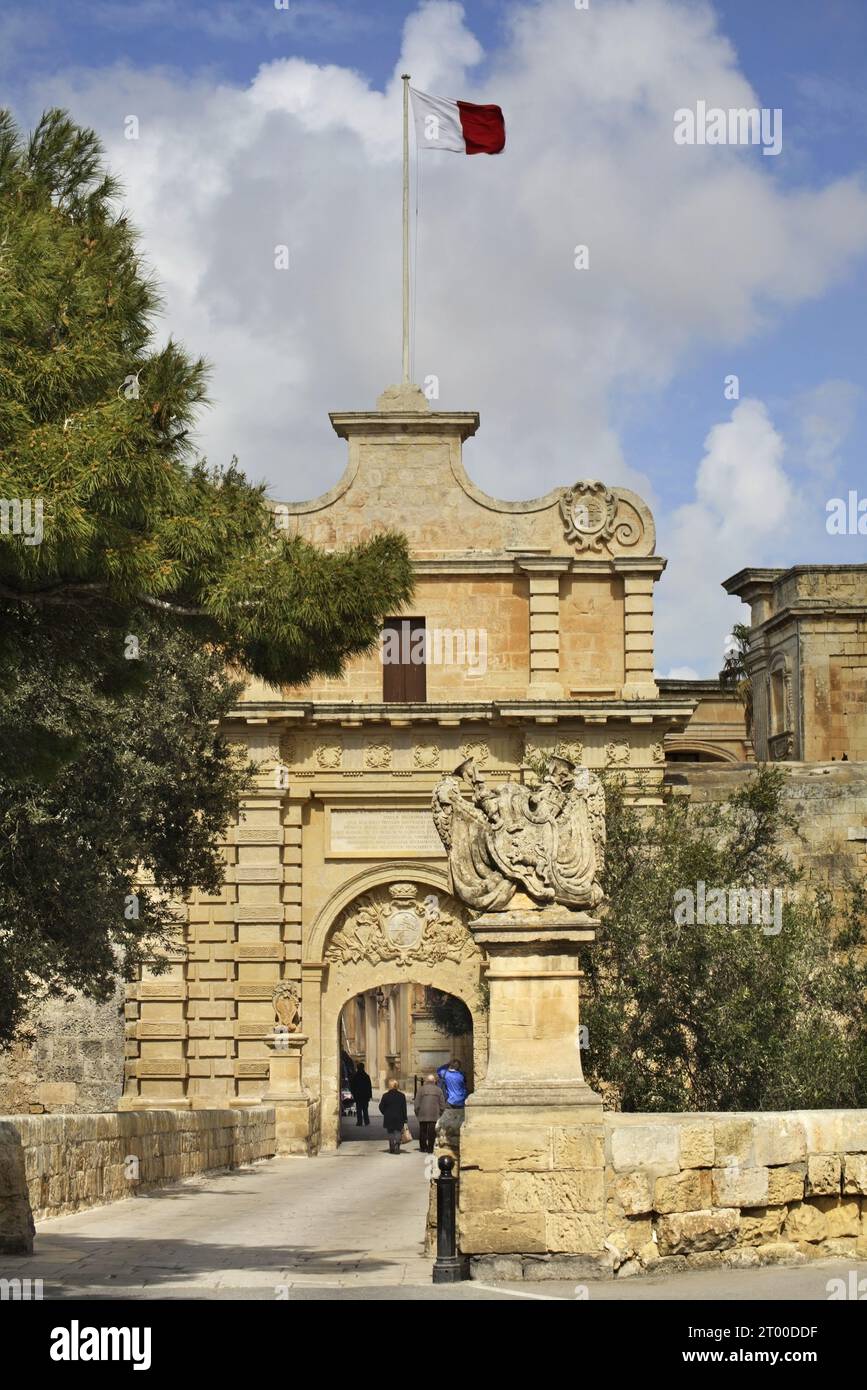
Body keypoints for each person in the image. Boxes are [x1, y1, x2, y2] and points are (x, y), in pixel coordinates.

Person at [414, 1073, 445, 1153]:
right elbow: (442, 1103)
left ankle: (423, 1147)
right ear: (434, 1081)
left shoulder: (421, 1089)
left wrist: (417, 1112)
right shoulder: (438, 1090)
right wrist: (441, 1112)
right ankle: (430, 1148)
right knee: (432, 1132)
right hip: (434, 1114)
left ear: (426, 1081)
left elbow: (417, 1102)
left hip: (422, 1113)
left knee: (422, 1131)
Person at [378, 1078, 408, 1154]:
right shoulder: (402, 1096)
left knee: (390, 1132)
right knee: (398, 1131)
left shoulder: (385, 1096)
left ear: (389, 1086)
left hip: (389, 1117)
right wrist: (405, 1118)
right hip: (399, 1117)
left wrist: (385, 1113)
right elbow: (404, 1108)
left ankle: (391, 1147)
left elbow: (381, 1106)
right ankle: (397, 1145)